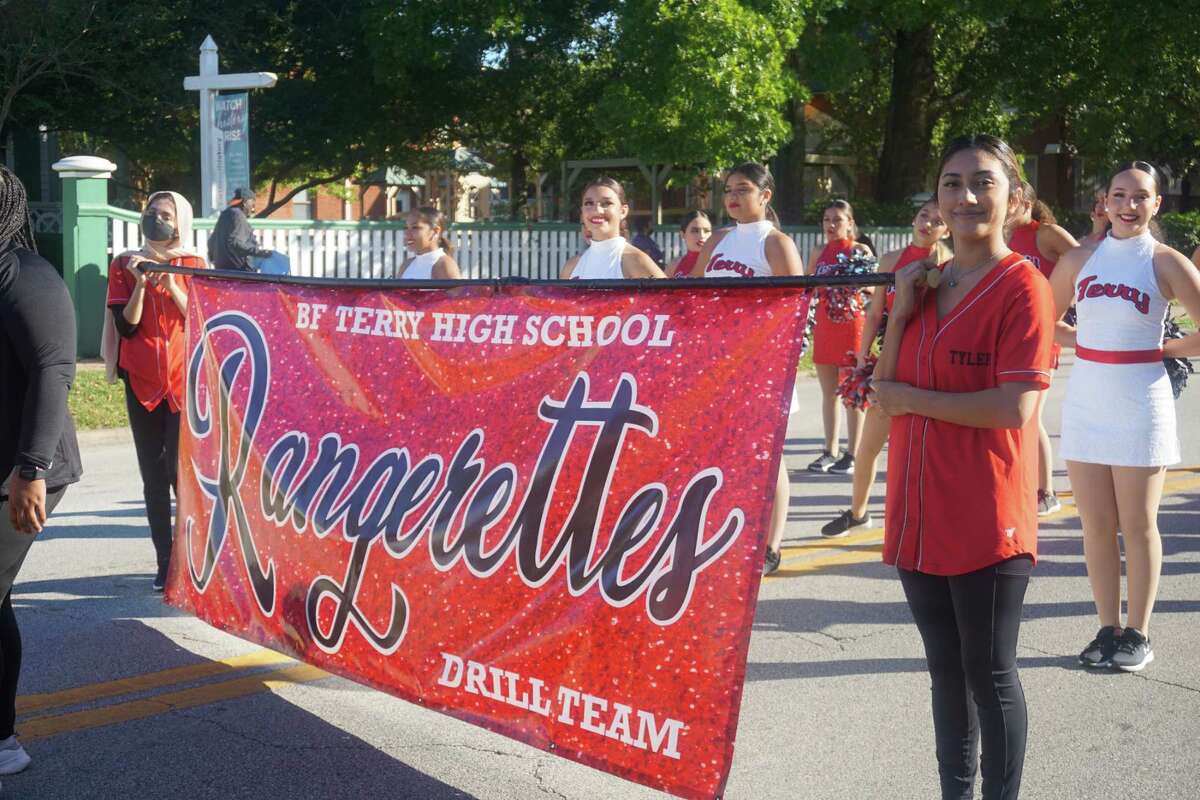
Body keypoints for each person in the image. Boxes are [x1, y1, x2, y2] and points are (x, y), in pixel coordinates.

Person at [872, 134, 1055, 800]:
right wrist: (900, 313)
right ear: (936, 201)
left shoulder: (1023, 287)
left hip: (986, 516)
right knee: (944, 673)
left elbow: (1014, 407)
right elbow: (883, 391)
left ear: (1016, 200)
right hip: (918, 513)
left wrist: (914, 400)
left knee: (989, 673)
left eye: (983, 182)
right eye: (952, 184)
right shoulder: (927, 281)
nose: (967, 197)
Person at [1050, 161, 1200, 672]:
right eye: (1119, 195)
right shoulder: (1078, 259)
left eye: (1140, 197)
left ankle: (1138, 632)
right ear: (1104, 202)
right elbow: (1046, 322)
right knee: (1094, 526)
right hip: (1088, 401)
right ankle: (1106, 627)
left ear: (1156, 204)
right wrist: (1087, 345)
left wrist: (1162, 348)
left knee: (1137, 526)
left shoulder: (1165, 261)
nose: (1129, 206)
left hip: (1142, 403)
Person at [0, 165, 82, 780]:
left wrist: (30, 469)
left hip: (25, 469)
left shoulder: (26, 273)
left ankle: (3, 740)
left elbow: (55, 368)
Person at [691, 162, 803, 575]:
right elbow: (694, 300)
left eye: (743, 189)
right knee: (723, 454)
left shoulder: (775, 243)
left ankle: (771, 545)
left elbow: (794, 309)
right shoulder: (717, 239)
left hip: (761, 363)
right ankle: (731, 535)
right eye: (728, 190)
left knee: (768, 455)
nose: (733, 196)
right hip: (718, 366)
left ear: (765, 195)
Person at [820, 198, 948, 537]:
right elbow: (876, 312)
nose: (928, 224)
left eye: (937, 221)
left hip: (930, 367)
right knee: (868, 447)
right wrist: (863, 355)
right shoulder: (891, 260)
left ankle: (926, 518)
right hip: (892, 361)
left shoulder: (950, 263)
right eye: (924, 216)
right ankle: (858, 512)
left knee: (924, 451)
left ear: (946, 229)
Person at [105, 191, 207, 592]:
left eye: (164, 215)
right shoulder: (123, 264)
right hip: (142, 381)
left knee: (179, 474)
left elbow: (199, 318)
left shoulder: (194, 264)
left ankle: (189, 556)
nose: (155, 219)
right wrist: (142, 283)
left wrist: (173, 285)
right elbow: (126, 326)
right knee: (152, 474)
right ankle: (163, 561)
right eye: (150, 212)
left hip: (183, 383)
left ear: (180, 221)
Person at [1007, 182, 1080, 515]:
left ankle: (1046, 492)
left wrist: (1064, 301)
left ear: (1027, 201)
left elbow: (1084, 263)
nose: (1010, 204)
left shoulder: (1046, 233)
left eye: (1016, 198)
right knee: (1008, 415)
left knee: (1030, 415)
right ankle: (1019, 483)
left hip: (1041, 334)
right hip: (1006, 336)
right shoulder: (1000, 237)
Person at [805, 200, 873, 475]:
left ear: (850, 223)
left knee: (851, 394)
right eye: (826, 220)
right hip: (824, 328)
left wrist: (848, 285)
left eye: (837, 220)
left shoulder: (860, 251)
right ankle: (828, 451)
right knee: (828, 394)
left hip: (851, 328)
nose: (831, 225)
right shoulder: (818, 251)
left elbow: (873, 288)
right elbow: (807, 287)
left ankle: (852, 454)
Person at [561, 178, 665, 280]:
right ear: (582, 211)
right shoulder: (571, 267)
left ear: (623, 211)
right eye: (589, 203)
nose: (597, 211)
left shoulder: (636, 260)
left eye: (606, 203)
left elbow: (671, 296)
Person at [208, 188, 271, 271]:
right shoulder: (238, 215)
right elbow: (235, 243)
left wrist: (215, 259)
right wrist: (259, 252)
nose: (253, 208)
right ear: (245, 203)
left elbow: (211, 241)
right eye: (252, 203)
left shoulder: (225, 214)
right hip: (239, 272)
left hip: (221, 270)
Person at [399, 206, 462, 279]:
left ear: (435, 231)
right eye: (406, 228)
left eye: (415, 227)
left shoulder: (443, 265)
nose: (407, 233)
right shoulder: (406, 265)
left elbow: (457, 290)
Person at [670, 210, 713, 278]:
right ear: (683, 235)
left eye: (707, 231)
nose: (702, 236)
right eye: (695, 231)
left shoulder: (719, 263)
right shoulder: (674, 265)